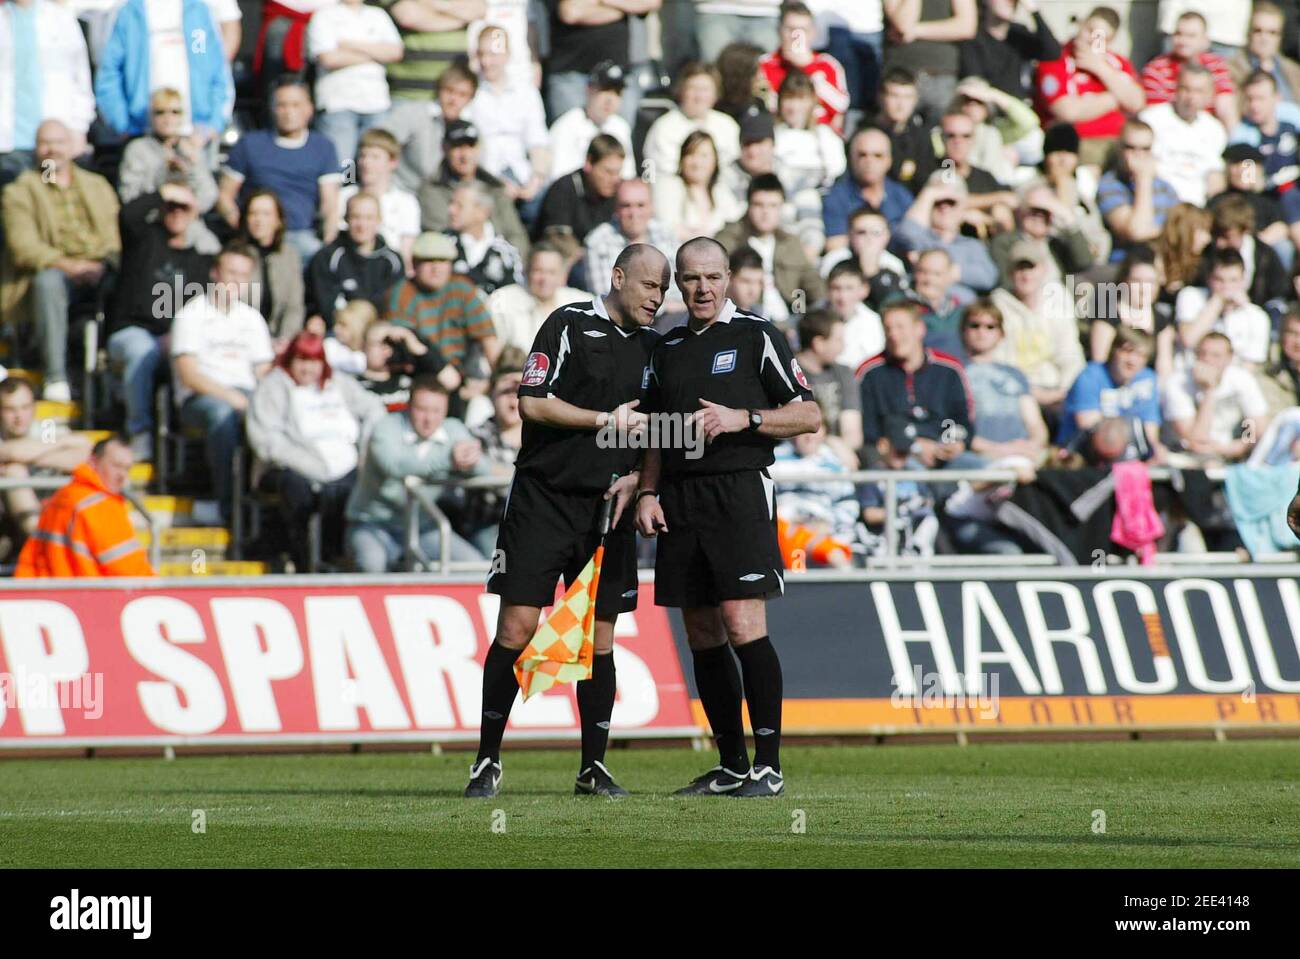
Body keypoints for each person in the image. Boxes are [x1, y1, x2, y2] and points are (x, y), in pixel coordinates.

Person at [468, 243, 671, 799]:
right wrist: (604, 419)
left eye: (664, 289)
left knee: (598, 640)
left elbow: (658, 431)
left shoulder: (655, 349)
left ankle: (592, 767)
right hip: (543, 500)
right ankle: (486, 760)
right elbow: (531, 402)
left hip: (609, 512)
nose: (658, 297)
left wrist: (642, 480)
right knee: (516, 628)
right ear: (619, 276)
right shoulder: (568, 324)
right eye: (651, 286)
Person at [636, 236, 821, 799]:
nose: (703, 288)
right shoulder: (665, 350)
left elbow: (810, 414)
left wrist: (746, 418)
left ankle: (769, 765)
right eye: (691, 278)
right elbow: (654, 437)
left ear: (729, 279)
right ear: (677, 285)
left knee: (744, 624)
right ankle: (731, 764)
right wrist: (647, 491)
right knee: (701, 633)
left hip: (739, 493)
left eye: (712, 276)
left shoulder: (756, 335)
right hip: (681, 499)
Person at [0, 119, 119, 403]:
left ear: (72, 147)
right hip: (51, 274)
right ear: (35, 149)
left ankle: (114, 380)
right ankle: (55, 376)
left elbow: (114, 237)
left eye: (59, 142)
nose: (52, 149)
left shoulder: (97, 185)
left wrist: (97, 263)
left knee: (131, 279)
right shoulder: (19, 191)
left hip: (100, 269)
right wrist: (69, 265)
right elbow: (24, 247)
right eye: (45, 142)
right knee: (48, 281)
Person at [247, 332, 385, 571]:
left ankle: (337, 555)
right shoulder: (274, 387)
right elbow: (267, 440)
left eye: (314, 361)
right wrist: (313, 466)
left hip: (346, 463)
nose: (308, 368)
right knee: (298, 488)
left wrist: (364, 448)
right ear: (290, 361)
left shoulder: (339, 383)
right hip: (291, 464)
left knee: (357, 486)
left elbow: (374, 408)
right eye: (302, 361)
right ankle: (303, 559)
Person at [108, 179, 215, 458]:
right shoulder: (144, 240)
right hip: (133, 331)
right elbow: (127, 214)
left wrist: (177, 339)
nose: (178, 213)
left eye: (185, 208)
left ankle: (188, 443)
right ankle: (140, 431)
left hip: (175, 338)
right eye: (171, 207)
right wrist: (164, 192)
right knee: (142, 349)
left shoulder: (200, 261)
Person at [170, 241, 276, 522]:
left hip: (247, 395)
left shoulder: (252, 319)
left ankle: (266, 495)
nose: (236, 281)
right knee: (222, 415)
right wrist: (231, 397)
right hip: (201, 398)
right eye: (231, 273)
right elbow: (188, 374)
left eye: (243, 275)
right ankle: (227, 506)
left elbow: (264, 370)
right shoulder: (191, 314)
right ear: (216, 273)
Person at [346, 376, 488, 571]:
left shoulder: (453, 429)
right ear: (408, 407)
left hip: (424, 527)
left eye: (437, 411)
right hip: (374, 524)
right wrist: (449, 460)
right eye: (422, 409)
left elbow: (484, 469)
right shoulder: (386, 427)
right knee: (372, 564)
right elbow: (394, 466)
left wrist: (472, 460)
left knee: (473, 567)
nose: (429, 419)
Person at [217, 76, 342, 266]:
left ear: (309, 109)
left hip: (301, 235)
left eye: (295, 105)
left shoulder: (323, 147)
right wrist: (244, 229)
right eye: (282, 105)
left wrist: (327, 243)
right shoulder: (250, 144)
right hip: (256, 237)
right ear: (272, 108)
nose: (289, 112)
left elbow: (330, 203)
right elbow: (224, 196)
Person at [14, 434, 152, 578]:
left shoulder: (63, 495)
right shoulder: (100, 507)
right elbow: (130, 571)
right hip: (87, 594)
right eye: (116, 466)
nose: (122, 475)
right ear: (93, 462)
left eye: (127, 468)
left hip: (47, 591)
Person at [94, 0, 231, 145]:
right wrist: (123, 125)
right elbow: (109, 74)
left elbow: (216, 70)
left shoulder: (197, 11)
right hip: (143, 134)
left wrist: (213, 125)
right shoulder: (128, 13)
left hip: (196, 135)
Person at [1031, 6, 1145, 170]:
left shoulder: (1116, 64)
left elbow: (1136, 102)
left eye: (1100, 36)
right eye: (1090, 30)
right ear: (1081, 24)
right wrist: (1116, 97)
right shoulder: (1056, 58)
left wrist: (1101, 69)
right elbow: (1067, 111)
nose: (1092, 39)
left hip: (1117, 140)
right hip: (1078, 143)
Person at [0, 0, 95, 186]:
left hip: (53, 144)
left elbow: (81, 79)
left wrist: (79, 127)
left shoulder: (60, 18)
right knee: (13, 204)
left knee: (50, 196)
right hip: (10, 144)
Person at [0, 377, 93, 560]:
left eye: (25, 407)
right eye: (10, 409)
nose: (19, 416)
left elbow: (85, 449)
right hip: (7, 519)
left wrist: (29, 456)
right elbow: (8, 451)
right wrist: (55, 449)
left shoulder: (46, 429)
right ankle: (46, 543)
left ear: (34, 407)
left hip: (50, 509)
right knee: (14, 472)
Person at [989, 240, 1085, 417]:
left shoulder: (1057, 299)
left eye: (1031, 268)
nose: (1025, 275)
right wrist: (1030, 392)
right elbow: (998, 361)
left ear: (1043, 270)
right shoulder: (998, 304)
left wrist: (1063, 389)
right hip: (1014, 392)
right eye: (1020, 269)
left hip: (1056, 388)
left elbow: (1070, 353)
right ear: (1010, 273)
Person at [385, 231, 500, 376]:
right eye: (428, 261)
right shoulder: (402, 292)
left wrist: (497, 380)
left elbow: (488, 339)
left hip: (460, 374)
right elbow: (404, 342)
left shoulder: (463, 289)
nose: (436, 268)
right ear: (414, 263)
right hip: (417, 373)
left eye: (442, 261)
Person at [716, 173, 825, 327]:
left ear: (781, 208)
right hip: (744, 321)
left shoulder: (790, 242)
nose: (765, 212)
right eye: (759, 204)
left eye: (773, 205)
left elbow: (811, 287)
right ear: (748, 205)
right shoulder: (728, 240)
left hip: (790, 321)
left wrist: (802, 314)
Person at [307, 0, 403, 168]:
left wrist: (350, 45)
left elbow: (395, 52)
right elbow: (328, 58)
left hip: (376, 102)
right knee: (345, 163)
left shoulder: (378, 15)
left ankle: (369, 193)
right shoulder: (324, 15)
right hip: (338, 102)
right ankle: (346, 191)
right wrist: (375, 55)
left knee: (375, 160)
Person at [469, 25, 549, 218]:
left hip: (523, 176)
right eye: (482, 54)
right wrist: (496, 183)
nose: (486, 62)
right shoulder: (471, 92)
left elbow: (538, 141)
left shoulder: (526, 92)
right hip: (485, 177)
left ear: (507, 55)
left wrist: (535, 180)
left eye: (493, 54)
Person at [417, 118, 530, 255]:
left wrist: (507, 262)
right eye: (457, 147)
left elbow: (515, 235)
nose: (464, 155)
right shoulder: (432, 189)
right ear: (444, 148)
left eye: (470, 146)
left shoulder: (495, 188)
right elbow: (441, 234)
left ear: (478, 149)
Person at [1058, 325, 1164, 460]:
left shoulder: (1147, 380)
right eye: (1127, 351)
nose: (1132, 361)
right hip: (1084, 455)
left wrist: (1154, 451)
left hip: (1128, 455)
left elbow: (1150, 433)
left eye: (1140, 355)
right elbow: (1093, 433)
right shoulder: (1090, 376)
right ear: (1114, 350)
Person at [1165, 331, 1270, 464]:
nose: (1207, 360)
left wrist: (1237, 447)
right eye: (1202, 353)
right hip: (1187, 459)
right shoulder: (1178, 383)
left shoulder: (1243, 380)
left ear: (1229, 358)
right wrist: (1209, 390)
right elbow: (1196, 440)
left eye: (1216, 356)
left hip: (1231, 455)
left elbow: (1259, 428)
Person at [772, 71, 846, 257]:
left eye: (801, 99)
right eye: (789, 99)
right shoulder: (773, 134)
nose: (794, 107)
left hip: (814, 203)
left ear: (812, 102)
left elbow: (835, 171)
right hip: (780, 203)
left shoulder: (824, 136)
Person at [307, 192, 406, 326]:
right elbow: (325, 305)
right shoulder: (327, 257)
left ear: (379, 220)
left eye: (369, 218)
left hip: (379, 331)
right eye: (356, 217)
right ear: (346, 219)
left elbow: (395, 306)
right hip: (339, 331)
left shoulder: (393, 261)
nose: (362, 225)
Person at [1139, 63, 1228, 207]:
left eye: (1198, 91)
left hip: (1198, 208)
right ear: (1176, 89)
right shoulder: (1151, 120)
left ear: (1209, 95)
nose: (1191, 97)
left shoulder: (1215, 130)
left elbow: (1215, 177)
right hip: (1159, 201)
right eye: (1186, 89)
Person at [116, 87, 219, 213]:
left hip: (186, 219)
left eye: (175, 112)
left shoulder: (190, 148)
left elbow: (208, 196)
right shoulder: (138, 149)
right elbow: (129, 197)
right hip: (150, 220)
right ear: (151, 116)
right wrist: (164, 181)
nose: (168, 118)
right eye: (160, 112)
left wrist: (192, 167)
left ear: (183, 116)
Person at [544, 0, 644, 127]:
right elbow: (570, 13)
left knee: (615, 139)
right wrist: (622, 10)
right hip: (571, 73)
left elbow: (650, 2)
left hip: (616, 77)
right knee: (572, 135)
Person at [893, 175, 999, 295]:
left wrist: (949, 271)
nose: (944, 208)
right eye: (938, 202)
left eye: (951, 203)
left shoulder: (972, 245)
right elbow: (906, 233)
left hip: (962, 308)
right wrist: (930, 194)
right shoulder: (920, 239)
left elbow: (988, 278)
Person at [1097, 119, 1183, 264]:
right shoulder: (1109, 185)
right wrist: (1143, 179)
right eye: (1130, 147)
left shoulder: (1165, 188)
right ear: (1119, 148)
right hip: (1125, 268)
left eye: (1145, 149)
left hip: (1164, 265)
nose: (1138, 154)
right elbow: (1137, 232)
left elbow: (1180, 232)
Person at [336, 127, 421, 274]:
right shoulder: (343, 196)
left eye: (375, 157)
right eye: (363, 156)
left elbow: (406, 254)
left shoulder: (406, 202)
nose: (366, 163)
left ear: (392, 162)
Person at [386, 60, 477, 194]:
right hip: (404, 191)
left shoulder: (471, 127)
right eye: (449, 91)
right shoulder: (412, 114)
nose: (454, 100)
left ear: (470, 99)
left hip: (447, 197)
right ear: (438, 90)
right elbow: (379, 145)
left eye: (462, 95)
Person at [1174, 247, 1273, 370]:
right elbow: (1188, 340)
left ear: (1243, 281)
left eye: (1233, 280)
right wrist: (1217, 301)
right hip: (1189, 375)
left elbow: (1249, 368)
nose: (1227, 287)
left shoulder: (1257, 317)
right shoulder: (1190, 296)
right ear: (1209, 279)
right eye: (1219, 280)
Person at [758, 1, 849, 133]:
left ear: (813, 33)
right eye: (791, 30)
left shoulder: (828, 64)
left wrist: (808, 66)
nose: (796, 37)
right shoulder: (764, 64)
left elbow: (841, 106)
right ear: (779, 30)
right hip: (778, 134)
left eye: (803, 31)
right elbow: (764, 107)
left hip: (820, 136)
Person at [881, 0, 979, 123]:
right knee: (897, 133)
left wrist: (916, 31)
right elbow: (903, 24)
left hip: (941, 76)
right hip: (903, 78)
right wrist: (909, 29)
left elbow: (967, 27)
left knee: (942, 134)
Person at [1141, 8, 1239, 129]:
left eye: (1191, 36)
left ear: (1205, 41)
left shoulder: (1216, 65)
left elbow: (1226, 107)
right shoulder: (1156, 68)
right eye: (1178, 34)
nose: (1183, 41)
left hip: (1208, 131)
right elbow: (1155, 114)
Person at [642, 62, 741, 179]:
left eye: (705, 89)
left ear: (715, 94)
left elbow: (732, 169)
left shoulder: (728, 126)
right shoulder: (664, 128)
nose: (699, 96)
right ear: (681, 91)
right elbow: (658, 173)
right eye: (693, 88)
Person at [1089, 248, 1176, 380]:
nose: (1143, 289)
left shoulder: (1161, 321)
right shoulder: (1107, 315)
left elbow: (1164, 370)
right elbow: (1099, 364)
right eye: (1137, 281)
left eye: (1150, 282)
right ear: (1124, 282)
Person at [584, 178, 678, 298]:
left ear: (651, 207)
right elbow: (606, 297)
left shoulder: (666, 234)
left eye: (641, 205)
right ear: (616, 209)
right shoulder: (598, 241)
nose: (634, 213)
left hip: (671, 314)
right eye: (626, 206)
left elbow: (679, 289)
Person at [990, 182, 1094, 290]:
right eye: (1033, 210)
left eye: (1045, 211)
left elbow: (1084, 262)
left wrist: (1069, 220)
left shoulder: (1055, 244)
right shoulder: (1005, 243)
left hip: (1059, 301)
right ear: (1020, 211)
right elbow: (1007, 283)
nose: (1039, 216)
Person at [822, 126, 913, 249]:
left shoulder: (902, 196)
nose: (869, 161)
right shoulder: (836, 197)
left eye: (877, 155)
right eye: (862, 155)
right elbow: (835, 247)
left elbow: (913, 242)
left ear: (889, 161)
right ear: (851, 158)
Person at [547, 60, 636, 183]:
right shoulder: (566, 126)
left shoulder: (621, 127)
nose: (610, 99)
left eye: (617, 92)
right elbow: (559, 181)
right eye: (605, 90)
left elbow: (627, 176)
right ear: (589, 90)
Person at [794, 308, 863, 464]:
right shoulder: (786, 374)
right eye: (838, 340)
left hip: (835, 456)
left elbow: (853, 435)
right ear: (819, 344)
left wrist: (828, 444)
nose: (843, 346)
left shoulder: (844, 374)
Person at [489, 242, 586, 353]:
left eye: (551, 272)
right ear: (526, 271)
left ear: (563, 276)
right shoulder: (501, 301)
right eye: (538, 271)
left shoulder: (582, 303)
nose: (544, 279)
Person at [380, 0, 484, 103]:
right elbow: (408, 16)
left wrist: (429, 5)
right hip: (409, 94)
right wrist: (461, 20)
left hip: (456, 96)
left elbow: (478, 10)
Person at [239, 188, 307, 343]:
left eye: (266, 214)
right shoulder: (234, 255)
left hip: (278, 341)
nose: (259, 220)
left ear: (278, 220)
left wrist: (284, 341)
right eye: (253, 213)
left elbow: (294, 307)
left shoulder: (290, 256)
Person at [653, 131, 746, 244]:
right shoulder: (669, 186)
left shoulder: (722, 192)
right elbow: (666, 228)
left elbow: (735, 225)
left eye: (704, 155)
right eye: (691, 154)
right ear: (682, 159)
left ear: (715, 161)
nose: (697, 163)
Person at [958, 0, 1060, 102]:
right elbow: (974, 82)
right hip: (986, 106)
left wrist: (1034, 11)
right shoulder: (974, 36)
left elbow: (1052, 53)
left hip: (1017, 107)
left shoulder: (1017, 33)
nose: (1010, 2)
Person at [532, 134, 624, 246]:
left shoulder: (620, 192)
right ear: (589, 163)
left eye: (617, 172)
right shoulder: (563, 190)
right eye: (608, 172)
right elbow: (558, 240)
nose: (615, 180)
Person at [444, 180, 525, 295]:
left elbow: (513, 298)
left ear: (482, 212)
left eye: (459, 205)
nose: (451, 210)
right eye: (451, 203)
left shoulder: (505, 254)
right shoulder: (442, 246)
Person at [819, 208, 909, 310]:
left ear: (887, 236)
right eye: (861, 232)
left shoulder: (894, 264)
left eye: (876, 232)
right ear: (850, 235)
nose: (869, 238)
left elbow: (897, 305)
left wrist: (872, 274)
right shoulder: (834, 260)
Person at [870, 67, 939, 193]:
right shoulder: (865, 135)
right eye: (894, 96)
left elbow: (932, 174)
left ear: (915, 100)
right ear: (880, 97)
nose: (901, 105)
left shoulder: (922, 136)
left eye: (907, 97)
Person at [1227, 2, 1300, 108]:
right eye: (1258, 31)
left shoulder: (1294, 71)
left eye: (1272, 33)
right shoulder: (1231, 69)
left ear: (1280, 37)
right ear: (1248, 33)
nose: (1264, 38)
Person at [824, 260, 884, 370]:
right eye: (836, 288)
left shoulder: (874, 323)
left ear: (864, 290)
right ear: (827, 289)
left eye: (849, 288)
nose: (843, 297)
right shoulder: (812, 320)